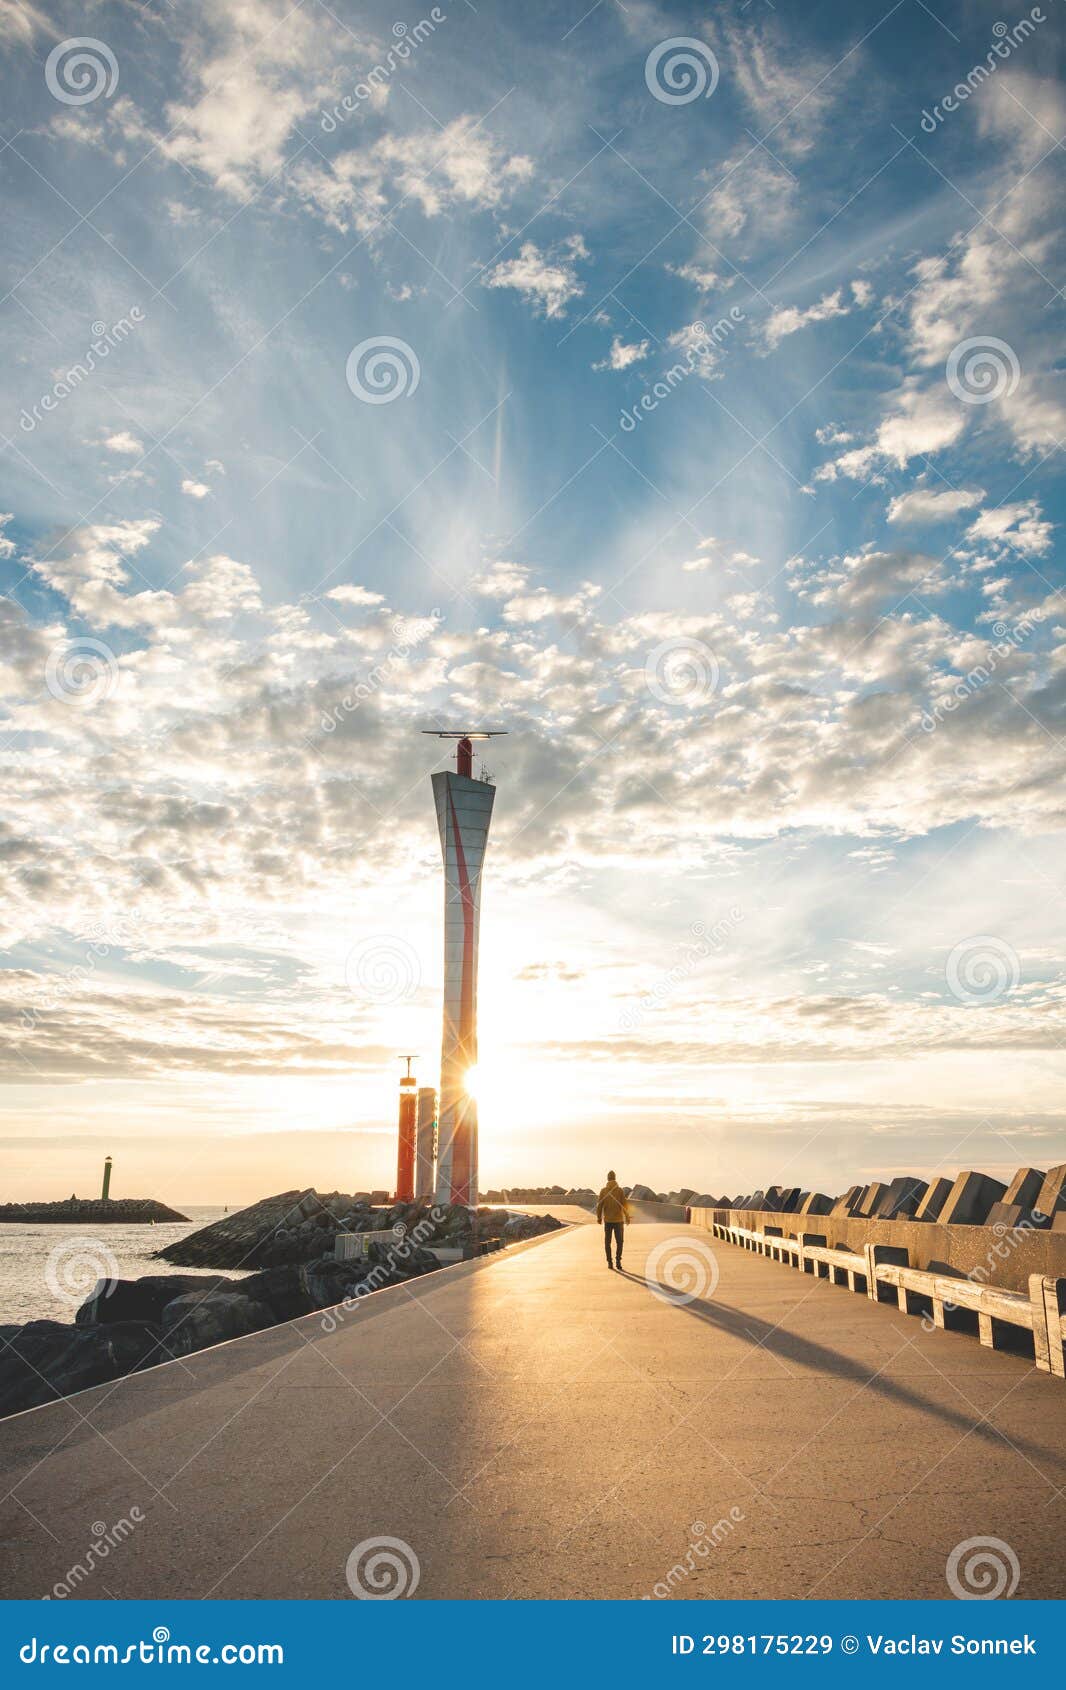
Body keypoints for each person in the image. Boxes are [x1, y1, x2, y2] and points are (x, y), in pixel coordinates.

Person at [596, 1170, 632, 1269]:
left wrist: (599, 1217)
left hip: (608, 1221)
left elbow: (599, 1205)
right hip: (618, 1221)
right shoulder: (620, 1191)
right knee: (620, 1242)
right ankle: (618, 1261)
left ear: (607, 1178)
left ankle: (610, 1263)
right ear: (615, 1178)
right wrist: (627, 1217)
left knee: (607, 1242)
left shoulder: (603, 1191)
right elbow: (624, 1205)